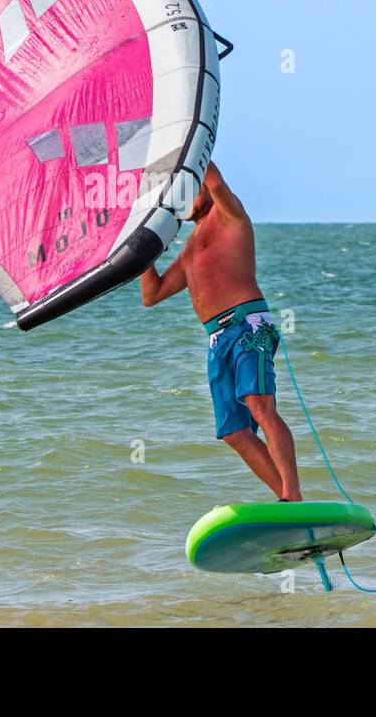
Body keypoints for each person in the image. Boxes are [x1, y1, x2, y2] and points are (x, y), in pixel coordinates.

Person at [140, 162, 303, 502]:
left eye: (190, 187)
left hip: (248, 325)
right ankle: (285, 502)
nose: (184, 198)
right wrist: (141, 247)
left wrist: (185, 149)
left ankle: (293, 494)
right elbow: (151, 295)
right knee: (234, 431)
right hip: (217, 339)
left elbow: (213, 178)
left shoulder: (229, 215)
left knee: (260, 405)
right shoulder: (187, 253)